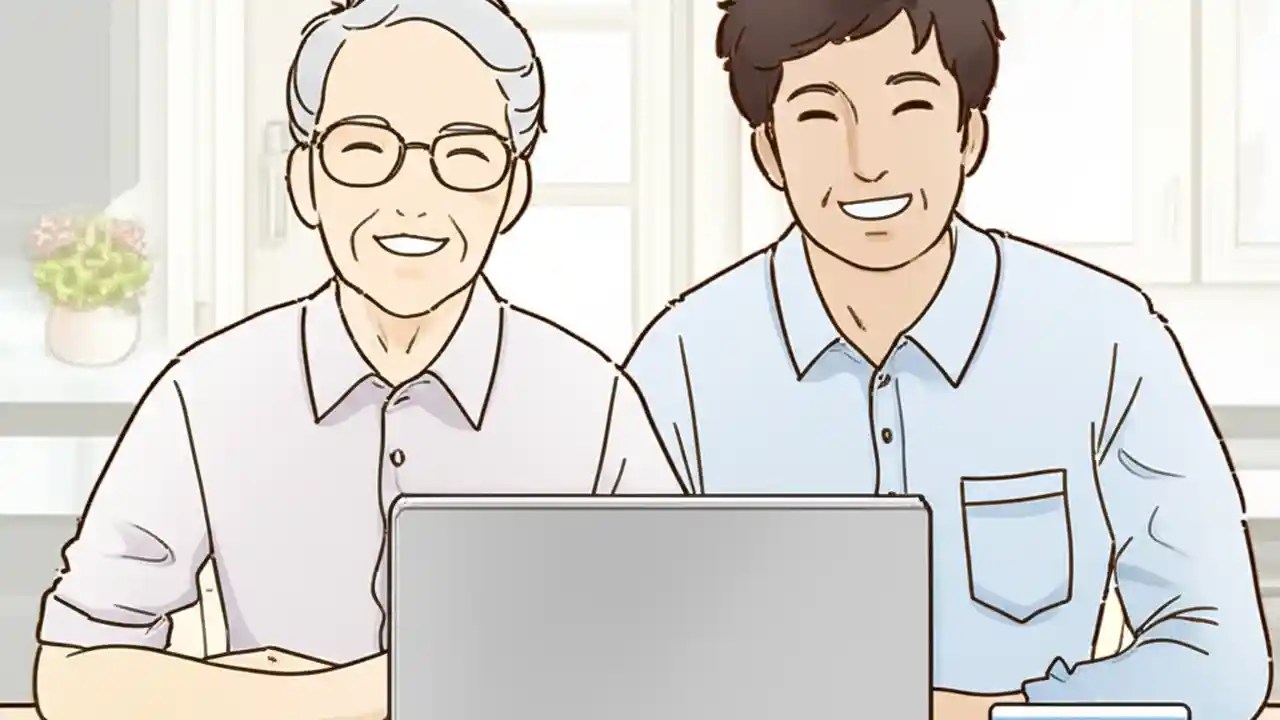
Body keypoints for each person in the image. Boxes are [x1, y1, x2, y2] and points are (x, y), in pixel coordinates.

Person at [34, 1, 683, 718]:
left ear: (513, 191)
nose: (414, 197)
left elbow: (684, 660)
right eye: (366, 150)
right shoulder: (208, 393)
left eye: (464, 155)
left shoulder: (592, 405)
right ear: (306, 180)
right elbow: (74, 674)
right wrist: (344, 698)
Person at [624, 1, 1270, 718]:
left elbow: (1220, 659)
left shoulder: (1108, 341)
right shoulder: (679, 364)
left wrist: (971, 715)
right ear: (769, 152)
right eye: (818, 116)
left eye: (909, 107)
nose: (869, 162)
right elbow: (622, 654)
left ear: (968, 135)